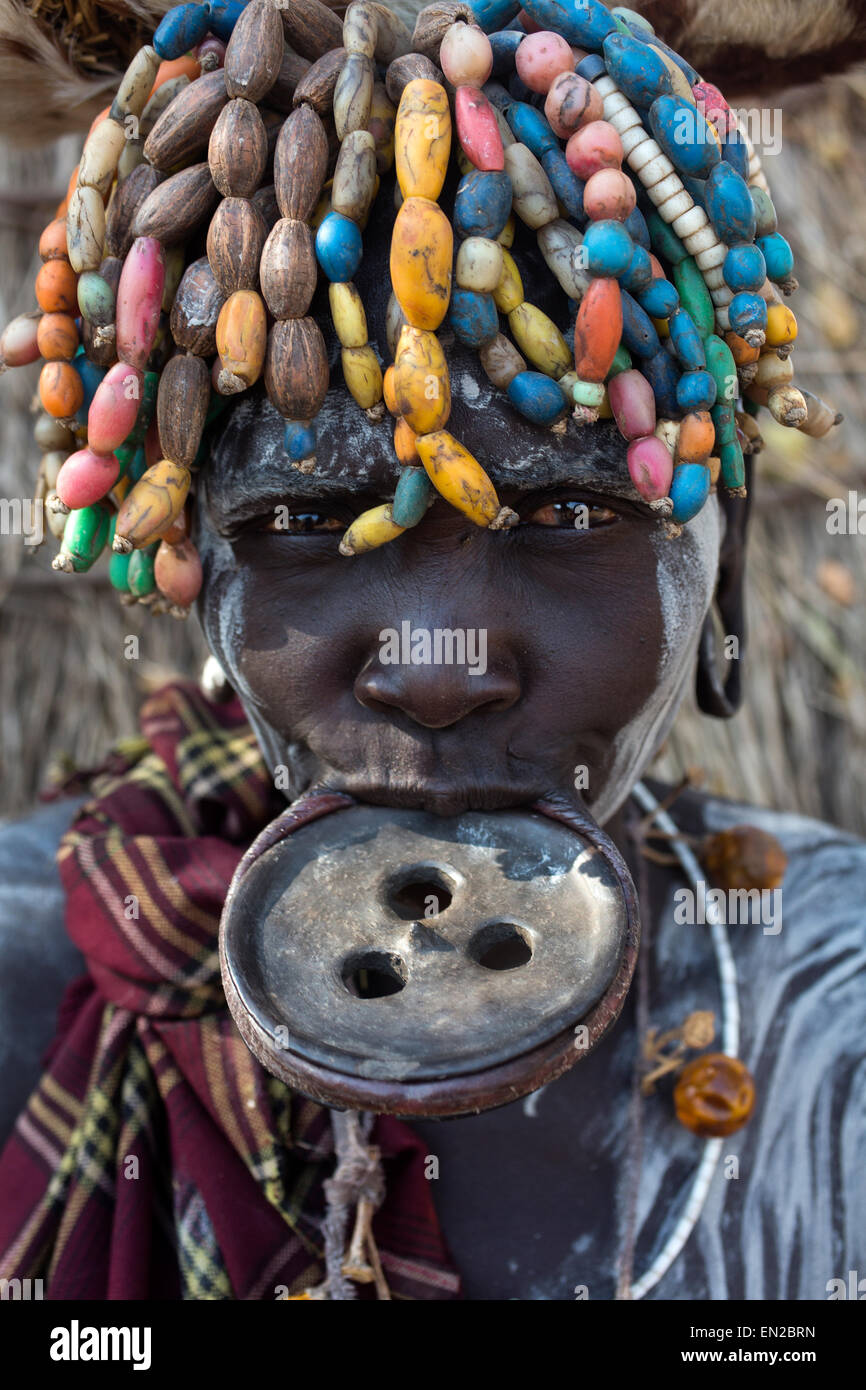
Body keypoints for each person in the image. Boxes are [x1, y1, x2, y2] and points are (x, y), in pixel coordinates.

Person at [0, 0, 863, 1302]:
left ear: (720, 564)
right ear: (193, 569)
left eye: (569, 514)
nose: (440, 663)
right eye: (300, 522)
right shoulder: (33, 967)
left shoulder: (825, 1011)